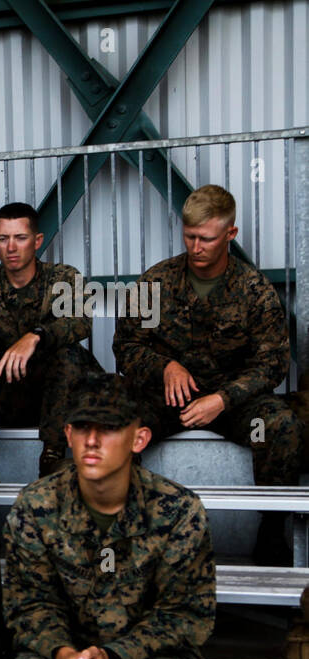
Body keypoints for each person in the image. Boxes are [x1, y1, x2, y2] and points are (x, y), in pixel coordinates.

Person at [0, 373, 215, 659]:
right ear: (68, 434)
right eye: (82, 428)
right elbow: (28, 604)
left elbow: (185, 615)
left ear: (139, 438)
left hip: (149, 656)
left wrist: (114, 657)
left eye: (109, 428)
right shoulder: (35, 506)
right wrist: (60, 654)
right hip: (64, 652)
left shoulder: (177, 510)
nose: (92, 441)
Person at [114, 184, 300, 565]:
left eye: (206, 238)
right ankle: (126, 537)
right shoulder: (156, 283)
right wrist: (164, 365)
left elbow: (273, 363)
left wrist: (224, 398)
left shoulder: (254, 291)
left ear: (230, 234)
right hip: (167, 402)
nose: (196, 247)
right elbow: (126, 346)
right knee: (119, 422)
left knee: (280, 426)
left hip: (233, 406)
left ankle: (271, 536)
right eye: (189, 237)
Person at [0, 201, 102, 482]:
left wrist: (36, 336)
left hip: (56, 393)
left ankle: (52, 456)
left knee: (70, 354)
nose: (11, 247)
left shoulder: (62, 277)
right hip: (10, 391)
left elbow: (80, 322)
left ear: (37, 241)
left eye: (20, 238)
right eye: (4, 239)